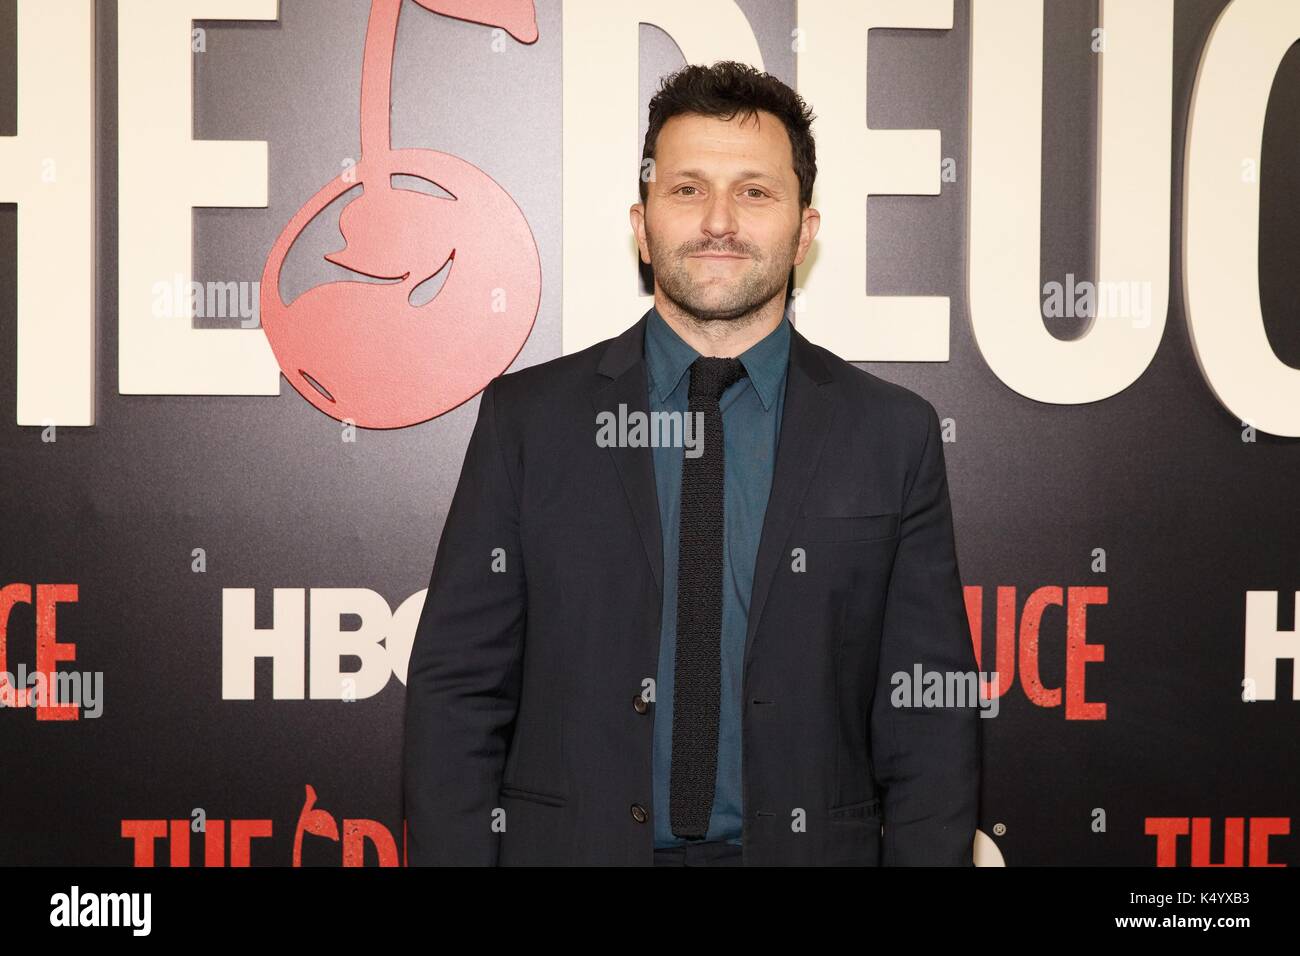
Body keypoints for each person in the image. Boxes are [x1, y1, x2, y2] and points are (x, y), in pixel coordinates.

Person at [403, 60, 980, 866]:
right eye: (686, 190)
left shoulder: (893, 434)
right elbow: (458, 693)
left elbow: (930, 720)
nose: (718, 220)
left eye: (754, 190)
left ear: (803, 229)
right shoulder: (528, 422)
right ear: (642, 225)